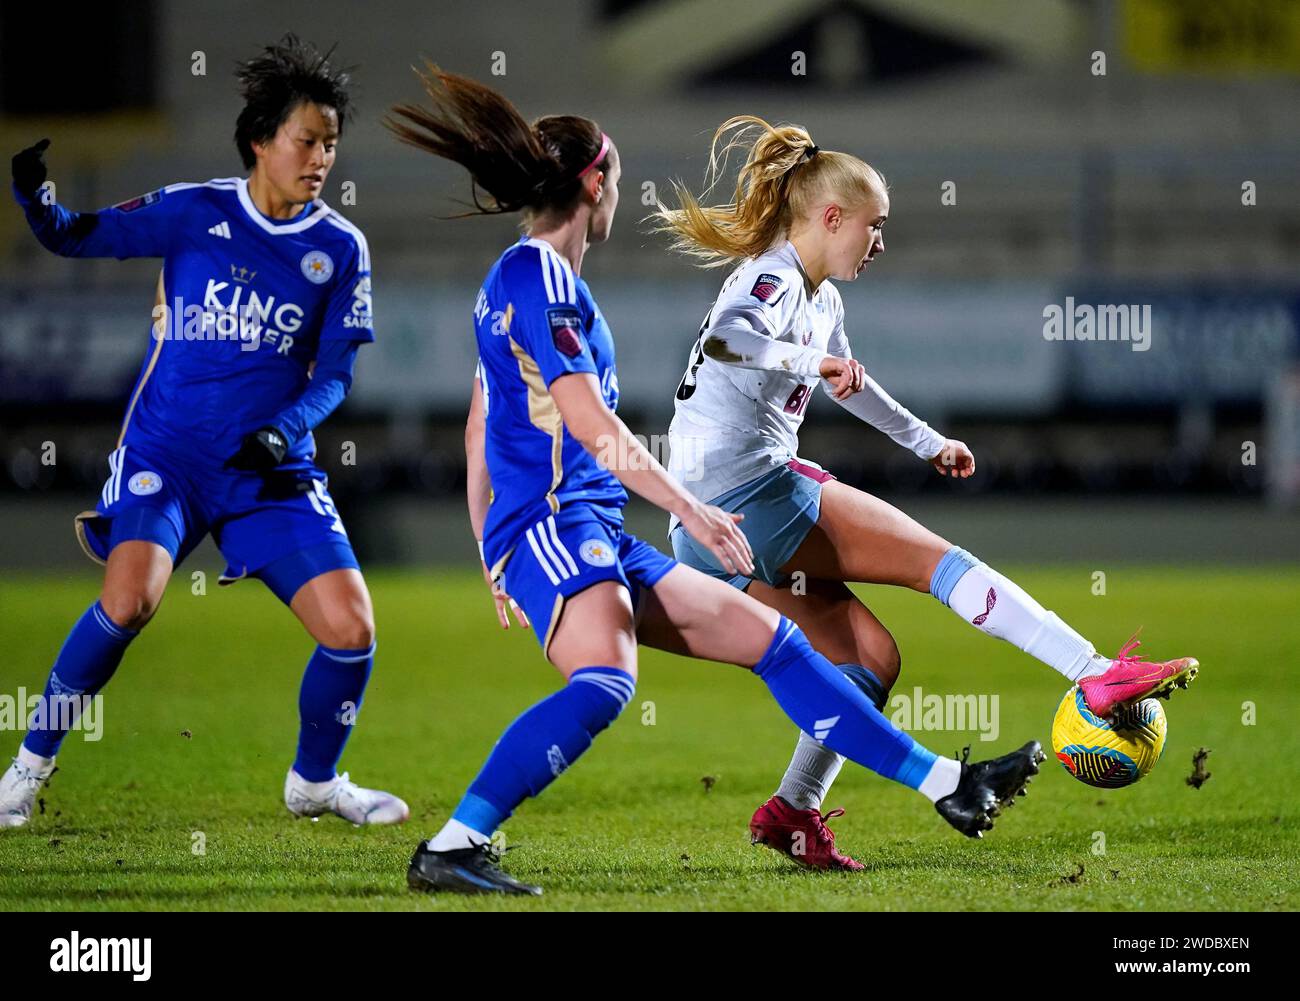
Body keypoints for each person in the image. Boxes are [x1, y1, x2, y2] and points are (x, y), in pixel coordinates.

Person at [386, 68, 1044, 896]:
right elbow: (591, 425)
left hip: (584, 530)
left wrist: (489, 549)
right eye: (617, 176)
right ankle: (454, 843)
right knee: (604, 682)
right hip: (555, 523)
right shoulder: (541, 280)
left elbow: (483, 422)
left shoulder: (531, 283)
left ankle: (951, 784)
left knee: (783, 646)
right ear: (596, 182)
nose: (620, 191)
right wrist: (687, 507)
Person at [653, 116, 1199, 869]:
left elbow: (853, 383)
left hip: (712, 526)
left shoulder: (820, 300)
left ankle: (792, 813)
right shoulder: (771, 277)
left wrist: (925, 440)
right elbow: (727, 341)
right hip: (752, 497)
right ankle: (1094, 671)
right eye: (873, 227)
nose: (879, 243)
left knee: (871, 660)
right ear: (830, 218)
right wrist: (808, 363)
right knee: (936, 561)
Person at [0, 36, 407, 830]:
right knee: (129, 599)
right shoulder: (196, 210)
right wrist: (34, 198)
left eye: (330, 143)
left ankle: (314, 784)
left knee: (352, 629)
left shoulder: (339, 248)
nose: (321, 156)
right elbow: (75, 235)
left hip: (267, 469)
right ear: (261, 140)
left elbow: (334, 378)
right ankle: (24, 771)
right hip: (170, 455)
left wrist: (282, 432)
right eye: (306, 140)